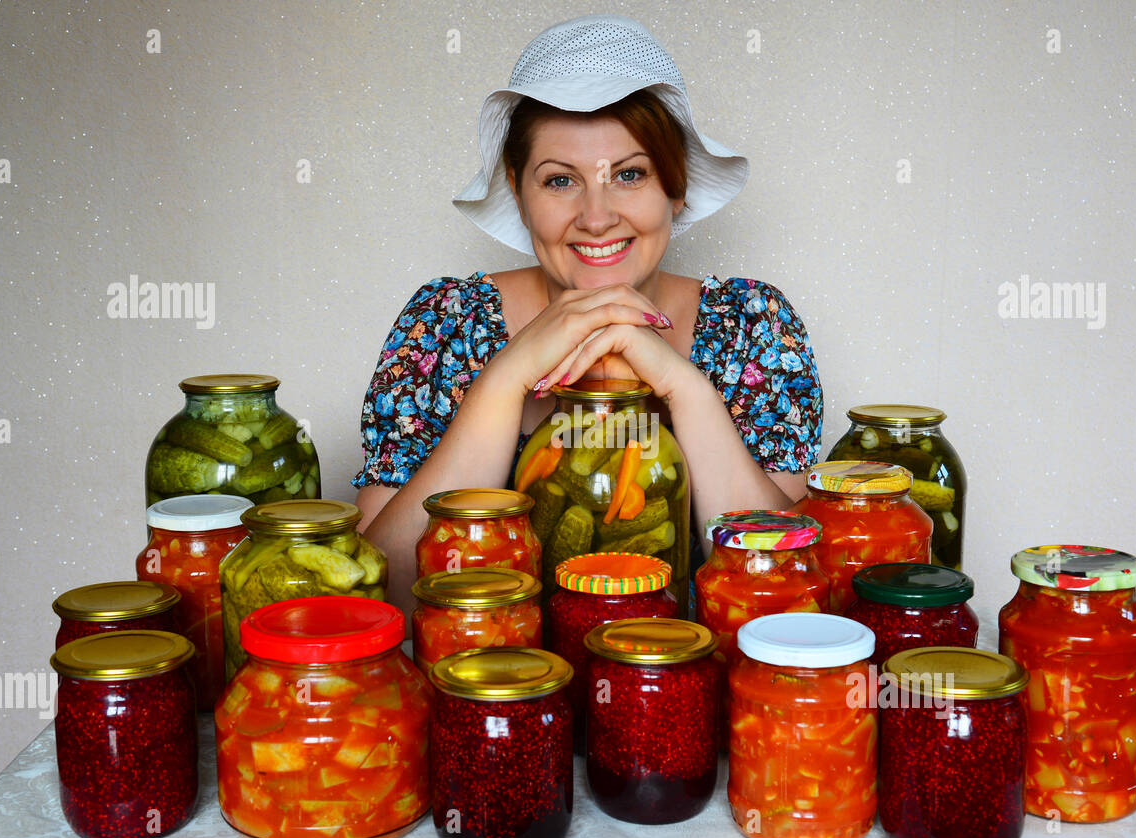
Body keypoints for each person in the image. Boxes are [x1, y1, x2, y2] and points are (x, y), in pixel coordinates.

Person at [353, 15, 824, 615]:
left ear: (675, 188)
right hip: (493, 682)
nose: (596, 217)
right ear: (519, 194)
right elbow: (382, 591)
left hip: (681, 692)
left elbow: (780, 598)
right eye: (559, 181)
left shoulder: (753, 324)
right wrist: (503, 381)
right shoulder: (444, 322)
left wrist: (686, 389)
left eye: (630, 175)